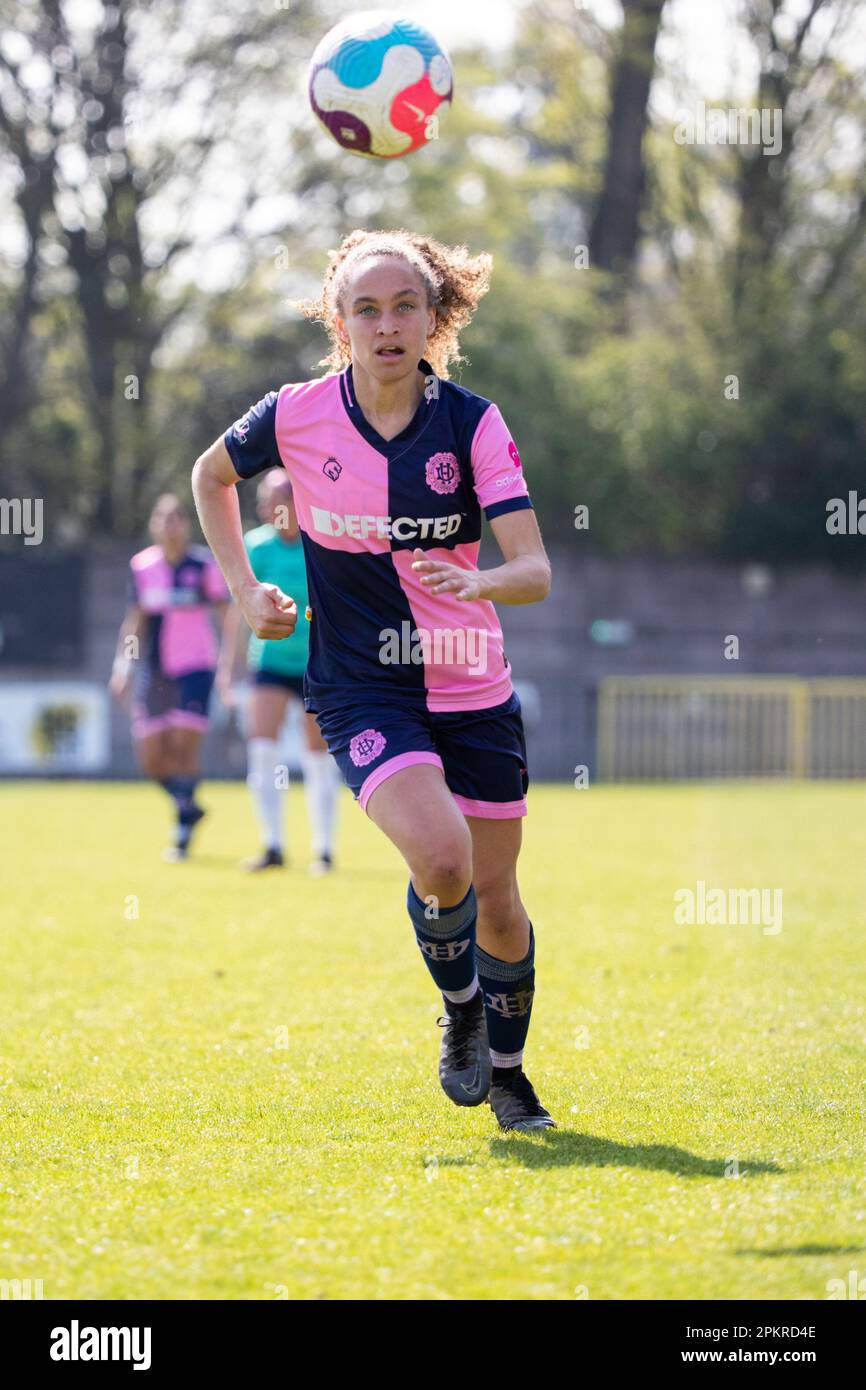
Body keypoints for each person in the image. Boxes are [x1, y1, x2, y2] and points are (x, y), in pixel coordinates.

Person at [191, 229, 554, 1131]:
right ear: (338, 319)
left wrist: (481, 581)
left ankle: (509, 1075)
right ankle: (462, 1010)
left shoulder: (473, 423)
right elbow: (210, 476)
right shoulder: (294, 413)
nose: (387, 324)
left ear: (435, 318)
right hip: (361, 687)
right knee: (442, 860)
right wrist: (243, 589)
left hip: (470, 680)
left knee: (498, 901)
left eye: (405, 307)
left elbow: (535, 570)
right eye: (366, 308)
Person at [217, 468, 340, 873]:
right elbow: (240, 612)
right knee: (262, 749)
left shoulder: (319, 545)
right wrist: (227, 668)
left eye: (274, 499)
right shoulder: (255, 547)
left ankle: (323, 849)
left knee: (318, 755)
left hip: (313, 664)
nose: (266, 507)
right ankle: (272, 845)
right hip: (268, 663)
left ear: (294, 501)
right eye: (263, 501)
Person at [109, 493, 229, 860]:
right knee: (151, 757)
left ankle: (181, 833)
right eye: (163, 517)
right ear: (154, 524)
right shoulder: (142, 566)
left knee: (182, 747)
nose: (170, 524)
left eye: (176, 517)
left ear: (186, 524)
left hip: (196, 667)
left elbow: (227, 617)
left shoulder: (203, 564)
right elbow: (136, 620)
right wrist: (122, 667)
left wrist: (229, 667)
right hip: (153, 669)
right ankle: (188, 805)